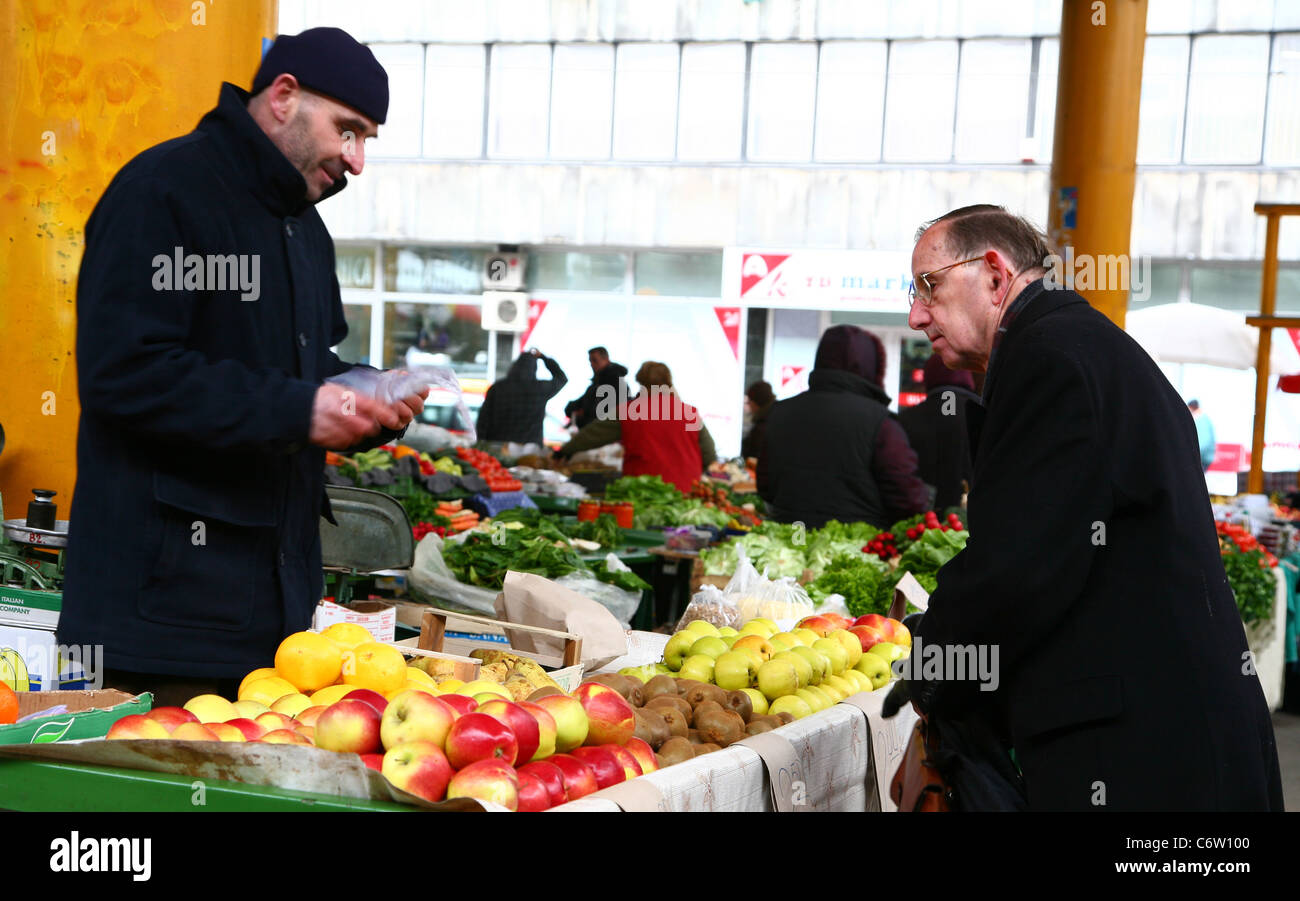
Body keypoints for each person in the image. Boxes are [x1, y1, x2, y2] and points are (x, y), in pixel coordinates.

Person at [59, 28, 425, 707]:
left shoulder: (306, 233)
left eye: (368, 139)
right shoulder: (163, 192)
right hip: (157, 638)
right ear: (284, 97)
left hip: (275, 640)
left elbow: (301, 373)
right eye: (349, 130)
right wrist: (301, 409)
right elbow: (124, 372)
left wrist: (365, 393)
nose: (357, 160)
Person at [903, 203, 1281, 810]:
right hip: (1177, 736)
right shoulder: (1083, 345)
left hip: (1145, 758)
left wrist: (937, 654)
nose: (918, 314)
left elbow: (1018, 566)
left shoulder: (1047, 359)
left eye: (929, 285)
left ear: (996, 275)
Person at [757, 325, 930, 530]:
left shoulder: (779, 413)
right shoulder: (881, 423)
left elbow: (766, 487)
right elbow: (908, 500)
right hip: (859, 553)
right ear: (871, 366)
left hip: (787, 550)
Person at [556, 362, 716, 491]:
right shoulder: (689, 413)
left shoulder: (630, 411)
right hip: (686, 491)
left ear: (640, 382)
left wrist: (566, 450)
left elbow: (593, 435)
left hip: (642, 490)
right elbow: (709, 453)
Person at [897, 354, 981, 510]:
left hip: (919, 522)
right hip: (980, 519)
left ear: (928, 376)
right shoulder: (987, 416)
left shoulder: (904, 421)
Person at [475, 348, 567, 446]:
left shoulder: (497, 388)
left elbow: (484, 418)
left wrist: (481, 441)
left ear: (514, 366)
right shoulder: (539, 389)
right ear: (534, 369)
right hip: (529, 447)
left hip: (498, 443)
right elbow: (561, 378)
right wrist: (542, 357)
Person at [564, 346, 628, 429]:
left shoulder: (617, 384)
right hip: (592, 431)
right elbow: (574, 406)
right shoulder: (596, 384)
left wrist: (584, 413)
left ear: (606, 359)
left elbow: (609, 415)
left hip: (602, 434)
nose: (592, 364)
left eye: (595, 360)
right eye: (590, 361)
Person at [739, 380, 775, 461]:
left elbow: (753, 455)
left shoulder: (762, 426)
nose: (748, 406)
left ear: (755, 402)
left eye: (749, 402)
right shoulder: (777, 415)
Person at [1188, 399, 1217, 471]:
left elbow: (1203, 442)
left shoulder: (1201, 420)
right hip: (1203, 458)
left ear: (1191, 408)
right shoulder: (1203, 419)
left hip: (1202, 459)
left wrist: (1191, 454)